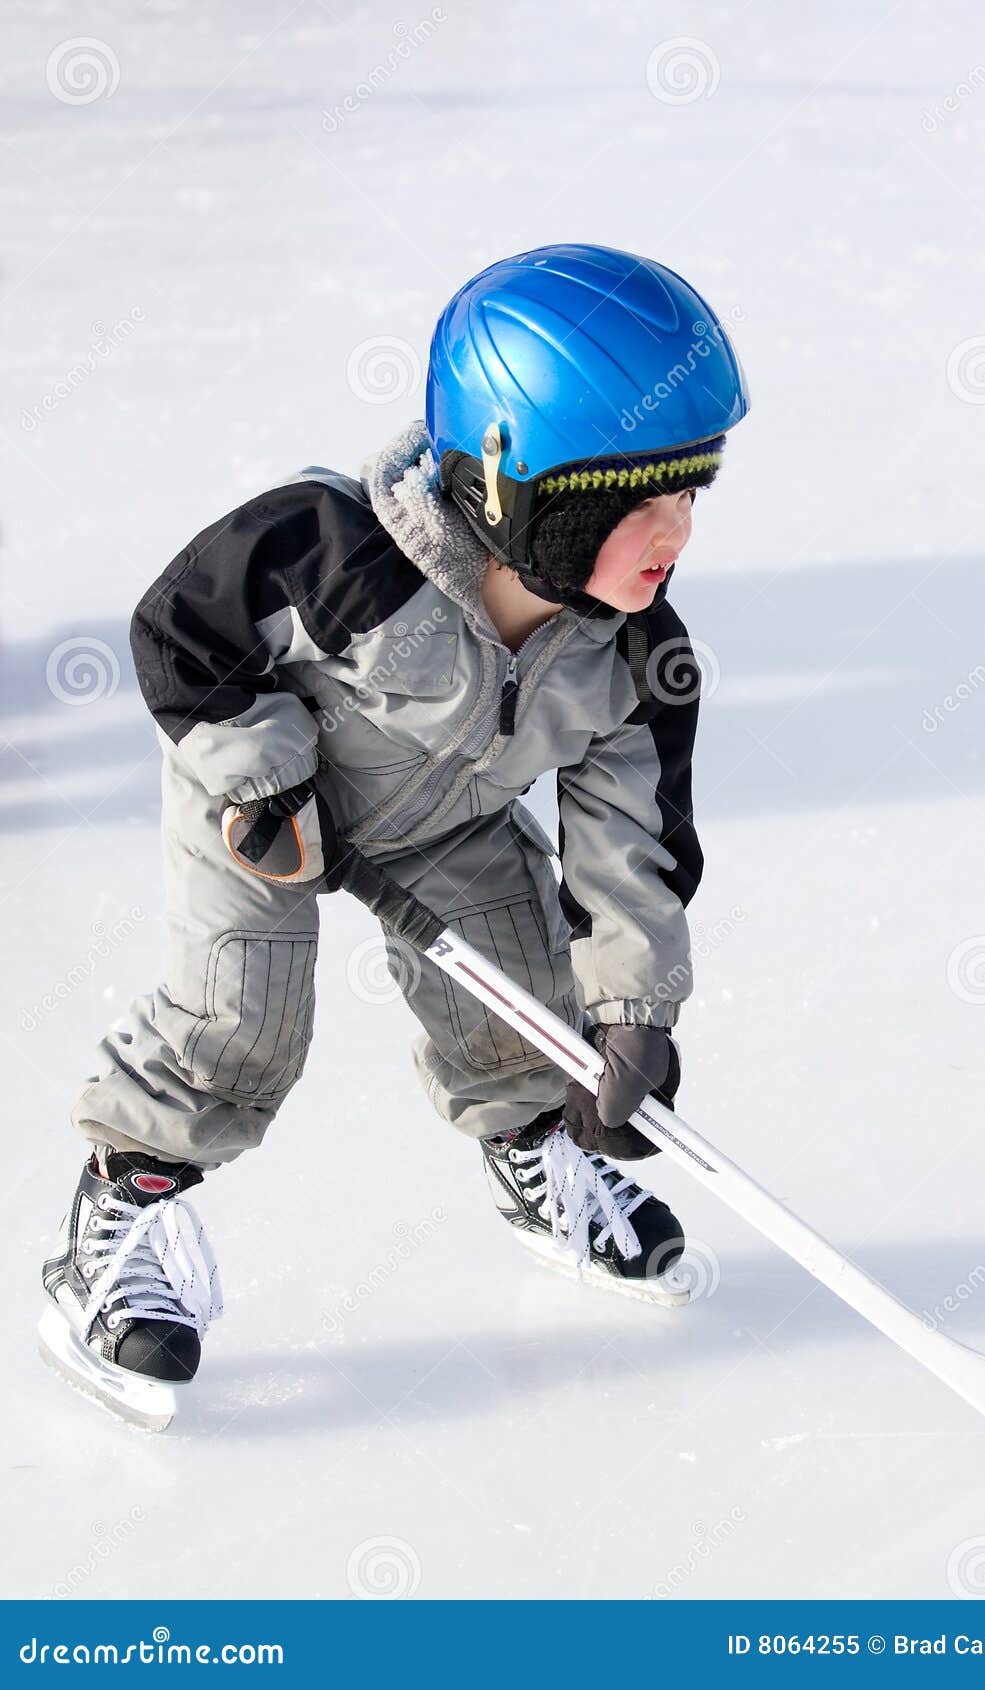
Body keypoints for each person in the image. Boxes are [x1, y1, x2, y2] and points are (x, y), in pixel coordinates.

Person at [38, 242, 750, 1428]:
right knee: (239, 1015)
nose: (672, 527)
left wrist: (633, 1013)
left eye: (692, 488)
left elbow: (630, 842)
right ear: (517, 484)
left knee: (524, 997)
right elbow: (182, 634)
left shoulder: (635, 653)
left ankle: (534, 1164)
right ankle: (113, 1222)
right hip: (264, 807)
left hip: (446, 823)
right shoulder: (334, 552)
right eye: (636, 496)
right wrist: (264, 780)